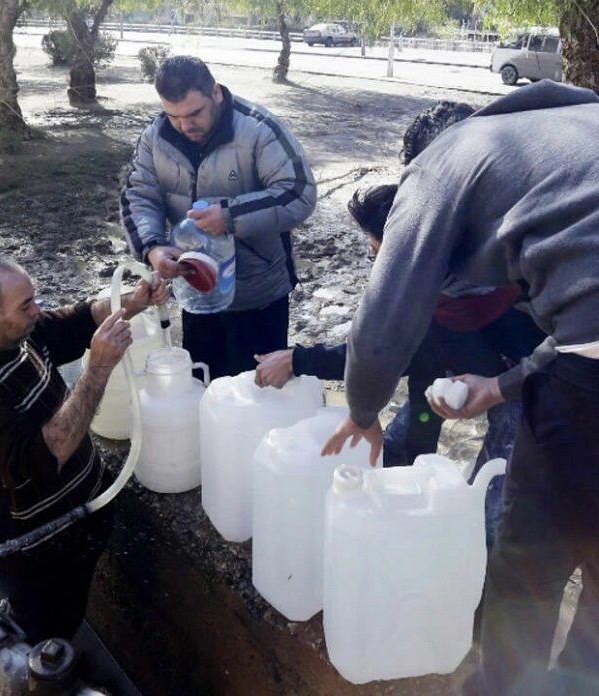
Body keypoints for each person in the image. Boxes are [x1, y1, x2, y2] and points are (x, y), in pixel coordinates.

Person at [322, 81, 599, 694]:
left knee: (530, 562)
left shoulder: (441, 164)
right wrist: (500, 387)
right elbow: (579, 320)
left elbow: (381, 326)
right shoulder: (569, 128)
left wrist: (362, 412)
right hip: (581, 349)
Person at [0, 256, 168, 643]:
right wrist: (98, 368)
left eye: (34, 300)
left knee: (70, 614)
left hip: (81, 518)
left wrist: (134, 301)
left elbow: (80, 319)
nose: (36, 311)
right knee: (42, 637)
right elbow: (43, 457)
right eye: (25, 305)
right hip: (38, 553)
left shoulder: (19, 335)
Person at [255, 183, 544, 473]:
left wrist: (298, 361)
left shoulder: (498, 278)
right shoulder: (426, 282)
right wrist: (410, 467)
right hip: (461, 366)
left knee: (500, 481)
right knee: (397, 449)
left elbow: (381, 353)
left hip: (528, 379)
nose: (378, 268)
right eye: (373, 254)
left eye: (379, 255)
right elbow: (406, 361)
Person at [120, 55, 316, 379]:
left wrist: (231, 215)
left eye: (194, 113)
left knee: (258, 391)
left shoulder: (258, 129)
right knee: (204, 385)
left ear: (216, 93)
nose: (185, 126)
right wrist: (152, 247)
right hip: (196, 292)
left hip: (258, 295)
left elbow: (299, 192)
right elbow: (139, 196)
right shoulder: (156, 137)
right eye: (173, 116)